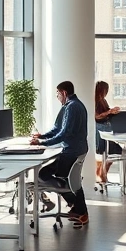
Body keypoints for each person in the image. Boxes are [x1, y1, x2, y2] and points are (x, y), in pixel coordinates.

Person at [32, 80, 90, 227]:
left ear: (64, 93)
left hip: (71, 152)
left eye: (57, 94)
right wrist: (42, 136)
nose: (57, 97)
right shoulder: (74, 105)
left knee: (43, 174)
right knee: (71, 180)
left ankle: (76, 205)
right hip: (75, 150)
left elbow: (64, 134)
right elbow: (57, 129)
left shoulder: (72, 107)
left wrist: (43, 143)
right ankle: (76, 206)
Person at [94, 81, 123, 184]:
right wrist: (109, 112)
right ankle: (101, 174)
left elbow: (106, 113)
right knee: (107, 151)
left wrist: (113, 111)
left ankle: (102, 173)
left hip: (106, 128)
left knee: (113, 152)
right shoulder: (95, 101)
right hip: (101, 130)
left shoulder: (103, 101)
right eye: (106, 90)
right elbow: (96, 116)